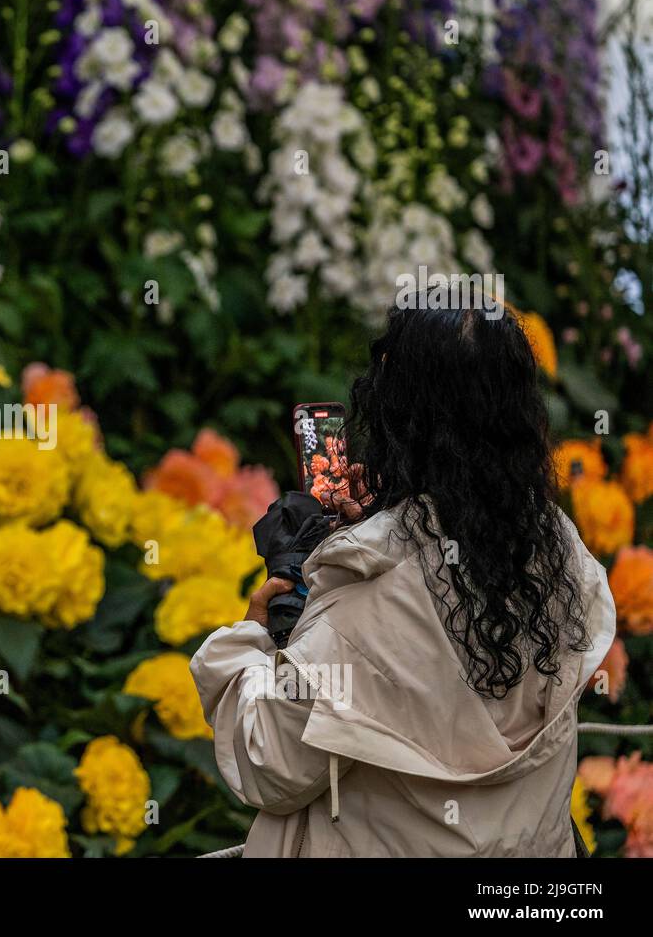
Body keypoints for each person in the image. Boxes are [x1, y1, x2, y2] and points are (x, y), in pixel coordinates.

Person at [190, 303, 615, 857]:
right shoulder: (562, 557)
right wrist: (383, 526)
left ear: (396, 417)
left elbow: (267, 765)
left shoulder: (362, 602)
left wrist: (252, 642)